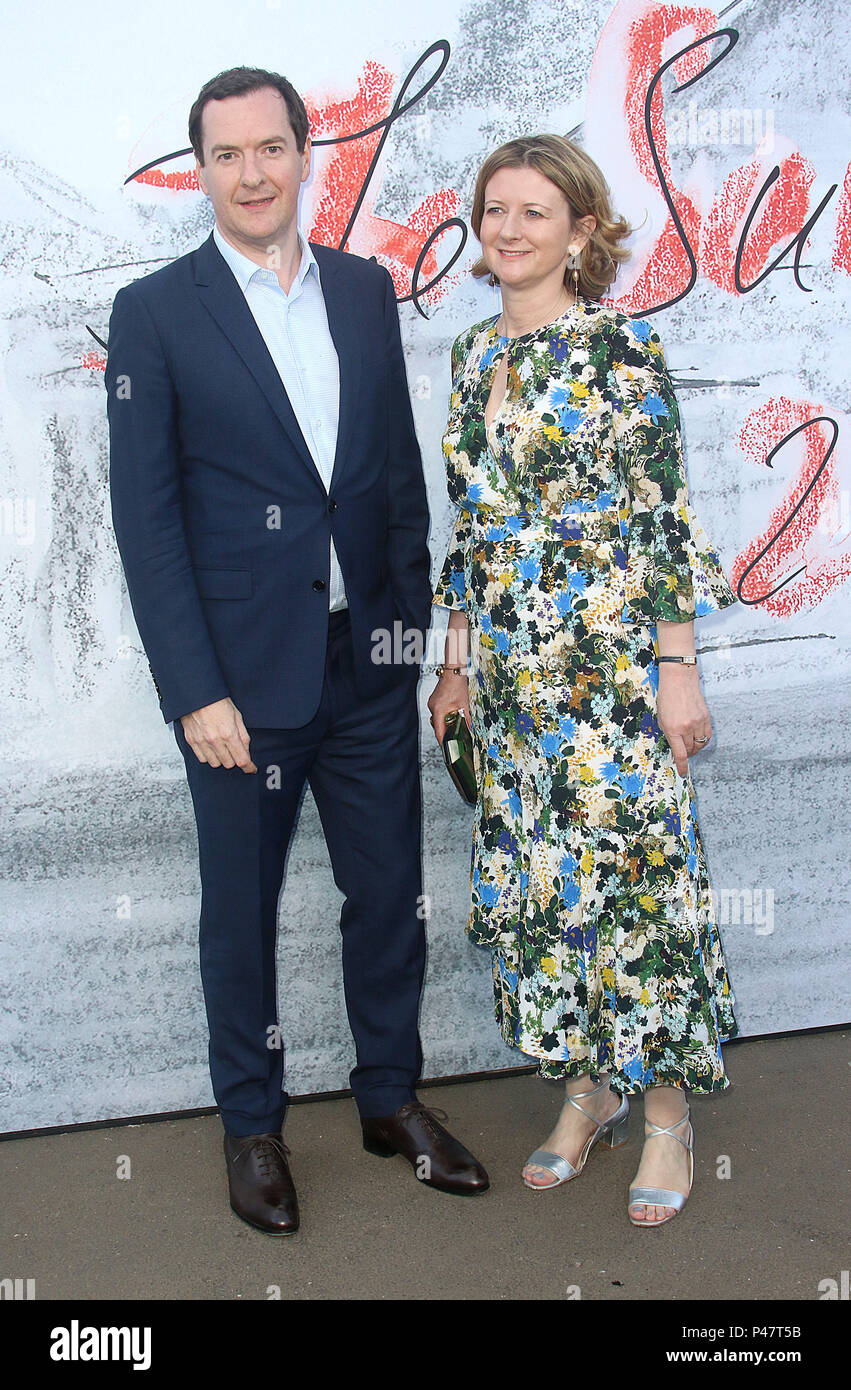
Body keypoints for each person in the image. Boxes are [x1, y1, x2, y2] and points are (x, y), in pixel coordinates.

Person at [106, 66, 489, 1236]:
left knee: (387, 896)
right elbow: (147, 519)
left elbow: (392, 479)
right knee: (241, 911)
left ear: (303, 152)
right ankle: (253, 1126)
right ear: (201, 170)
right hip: (239, 687)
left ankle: (388, 1100)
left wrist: (412, 641)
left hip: (363, 664)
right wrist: (193, 691)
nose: (252, 172)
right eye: (226, 155)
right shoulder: (157, 313)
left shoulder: (366, 292)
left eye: (270, 148)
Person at [428, 134, 738, 1227]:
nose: (508, 229)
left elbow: (660, 519)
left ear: (580, 230)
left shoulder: (618, 348)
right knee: (543, 883)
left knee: (631, 882)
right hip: (510, 680)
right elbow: (467, 528)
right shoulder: (469, 356)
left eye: (532, 212)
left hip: (607, 671)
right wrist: (454, 665)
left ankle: (663, 1112)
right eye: (493, 210)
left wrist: (675, 670)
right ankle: (583, 1089)